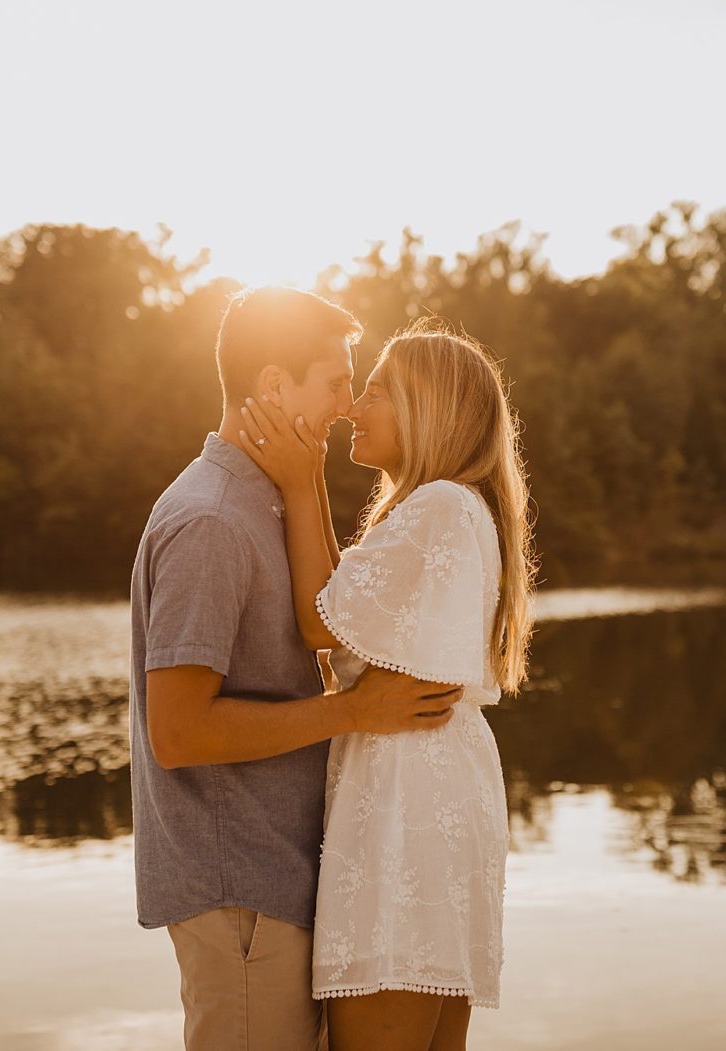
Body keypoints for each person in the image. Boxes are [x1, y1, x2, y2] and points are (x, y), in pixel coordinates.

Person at [127, 287, 466, 1051]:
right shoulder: (212, 520)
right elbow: (177, 732)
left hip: (279, 884)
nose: (348, 404)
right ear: (275, 386)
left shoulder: (267, 504)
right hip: (240, 897)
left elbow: (331, 622)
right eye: (336, 382)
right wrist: (355, 711)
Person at [235, 318, 537, 1051]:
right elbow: (348, 610)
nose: (353, 409)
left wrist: (299, 480)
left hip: (409, 793)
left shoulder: (439, 506)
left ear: (427, 411)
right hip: (436, 778)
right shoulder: (454, 507)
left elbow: (320, 621)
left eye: (375, 392)